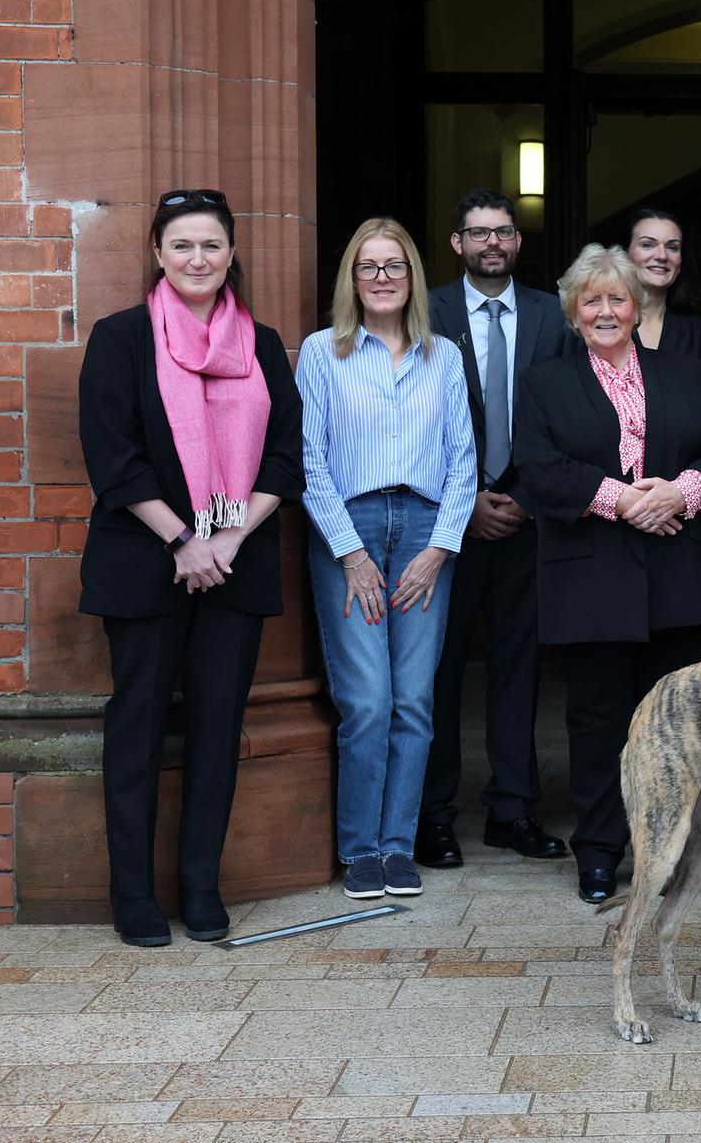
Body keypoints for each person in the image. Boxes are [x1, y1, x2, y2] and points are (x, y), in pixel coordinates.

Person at [77, 189, 304, 947]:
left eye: (211, 245)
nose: (197, 259)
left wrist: (230, 538)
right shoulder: (120, 338)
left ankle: (202, 887)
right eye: (182, 246)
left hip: (236, 562)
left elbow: (285, 457)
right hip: (146, 562)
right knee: (137, 726)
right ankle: (133, 896)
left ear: (232, 252)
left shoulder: (264, 343)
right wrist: (185, 539)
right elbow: (112, 456)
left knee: (216, 728)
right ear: (157, 254)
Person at [513, 244, 701, 903]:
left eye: (617, 299)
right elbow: (539, 467)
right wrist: (626, 500)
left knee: (672, 722)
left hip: (673, 576)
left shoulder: (685, 371)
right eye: (593, 300)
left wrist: (682, 493)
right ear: (573, 312)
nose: (606, 310)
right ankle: (598, 851)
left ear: (638, 307)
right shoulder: (544, 382)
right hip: (589, 579)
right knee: (596, 719)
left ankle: (662, 850)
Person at [298, 217, 477, 903]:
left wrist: (440, 548)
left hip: (429, 530)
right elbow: (309, 460)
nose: (381, 277)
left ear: (412, 278)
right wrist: (349, 552)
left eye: (394, 265)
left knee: (415, 700)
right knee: (368, 700)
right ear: (352, 277)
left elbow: (465, 458)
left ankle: (399, 845)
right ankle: (360, 849)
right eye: (368, 265)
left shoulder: (444, 357)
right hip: (351, 527)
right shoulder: (322, 353)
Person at [419, 189, 567, 871]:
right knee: (441, 670)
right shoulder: (428, 312)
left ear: (517, 239)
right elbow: (415, 419)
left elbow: (571, 412)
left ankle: (512, 809)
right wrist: (467, 499)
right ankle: (434, 816)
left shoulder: (552, 314)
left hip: (530, 520)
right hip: (449, 523)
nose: (491, 244)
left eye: (503, 232)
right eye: (477, 233)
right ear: (457, 243)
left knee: (518, 670)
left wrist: (529, 497)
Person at [623, 207, 701, 399]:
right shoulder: (603, 327)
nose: (661, 255)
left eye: (672, 247)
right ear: (625, 255)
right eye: (648, 245)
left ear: (681, 262)